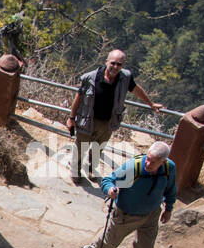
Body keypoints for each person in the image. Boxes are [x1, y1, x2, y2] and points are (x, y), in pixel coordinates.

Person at [82, 140, 177, 248]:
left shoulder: (168, 168)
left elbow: (171, 189)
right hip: (127, 213)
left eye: (153, 161)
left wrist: (169, 208)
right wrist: (110, 189)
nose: (148, 163)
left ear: (163, 161)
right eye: (148, 158)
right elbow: (108, 180)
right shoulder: (134, 167)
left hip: (151, 214)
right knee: (110, 240)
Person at [67, 49, 164, 184]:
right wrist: (71, 118)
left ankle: (90, 170)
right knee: (81, 146)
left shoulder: (125, 78)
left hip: (109, 122)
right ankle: (75, 171)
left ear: (123, 65)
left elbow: (137, 90)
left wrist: (151, 104)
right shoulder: (91, 78)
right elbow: (78, 97)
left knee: (98, 147)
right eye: (113, 63)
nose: (115, 67)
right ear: (107, 62)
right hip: (87, 119)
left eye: (119, 64)